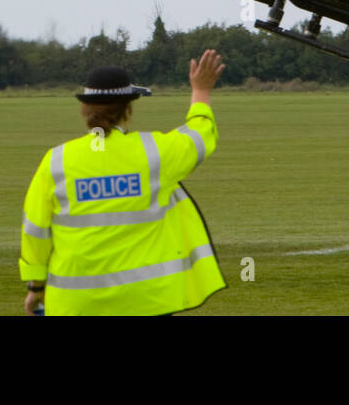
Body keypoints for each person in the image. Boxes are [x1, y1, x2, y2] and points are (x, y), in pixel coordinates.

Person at [20, 50, 227, 315]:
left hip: (75, 304)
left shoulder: (56, 161)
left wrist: (36, 288)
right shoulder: (155, 153)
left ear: (85, 108)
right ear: (128, 108)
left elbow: (35, 232)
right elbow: (200, 134)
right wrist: (201, 90)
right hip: (149, 301)